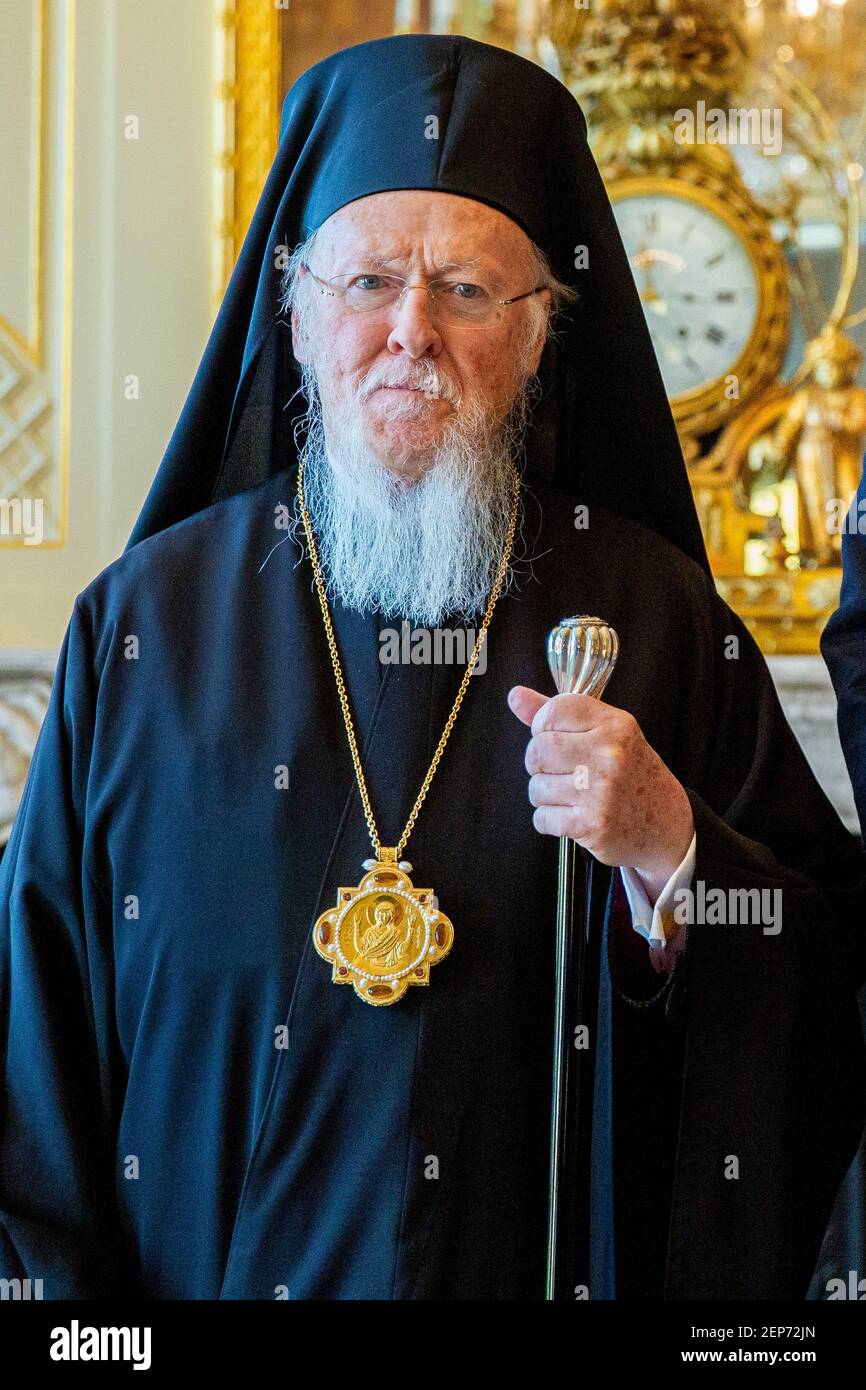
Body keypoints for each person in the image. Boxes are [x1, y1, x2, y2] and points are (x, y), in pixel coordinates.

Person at [1, 33, 864, 1302]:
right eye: (367, 285)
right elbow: (31, 1071)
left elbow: (826, 984)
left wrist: (672, 858)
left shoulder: (660, 623)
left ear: (535, 338)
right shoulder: (141, 634)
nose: (410, 332)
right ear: (293, 315)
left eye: (465, 290)